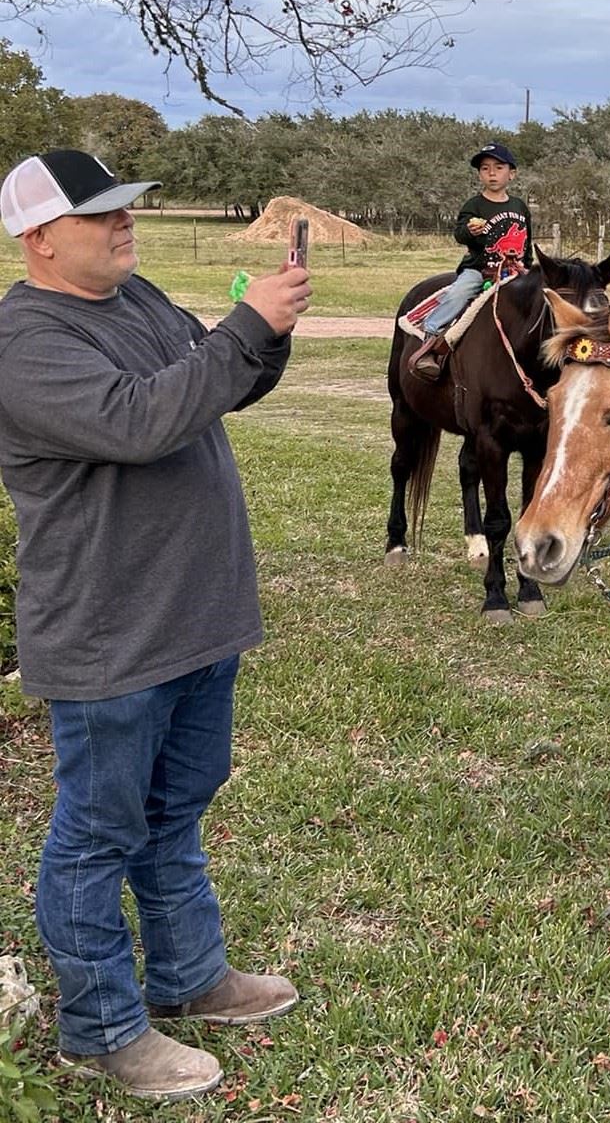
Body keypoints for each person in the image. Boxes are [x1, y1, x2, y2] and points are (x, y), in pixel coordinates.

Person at [0, 149, 311, 1101]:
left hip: (193, 619)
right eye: (100, 215)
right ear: (40, 238)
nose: (123, 224)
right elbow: (139, 421)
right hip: (110, 638)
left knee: (174, 813)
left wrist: (268, 334)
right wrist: (243, 328)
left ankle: (190, 977)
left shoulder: (138, 302)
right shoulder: (24, 343)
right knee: (97, 833)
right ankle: (100, 1027)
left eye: (126, 208)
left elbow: (214, 386)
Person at [410, 142, 534, 380]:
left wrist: (527, 266)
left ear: (512, 173)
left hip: (515, 270)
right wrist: (471, 231)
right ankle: (429, 339)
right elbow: (459, 234)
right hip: (481, 270)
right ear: (480, 174)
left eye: (498, 167)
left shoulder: (519, 206)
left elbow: (526, 239)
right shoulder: (474, 205)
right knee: (459, 293)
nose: (492, 173)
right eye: (485, 168)